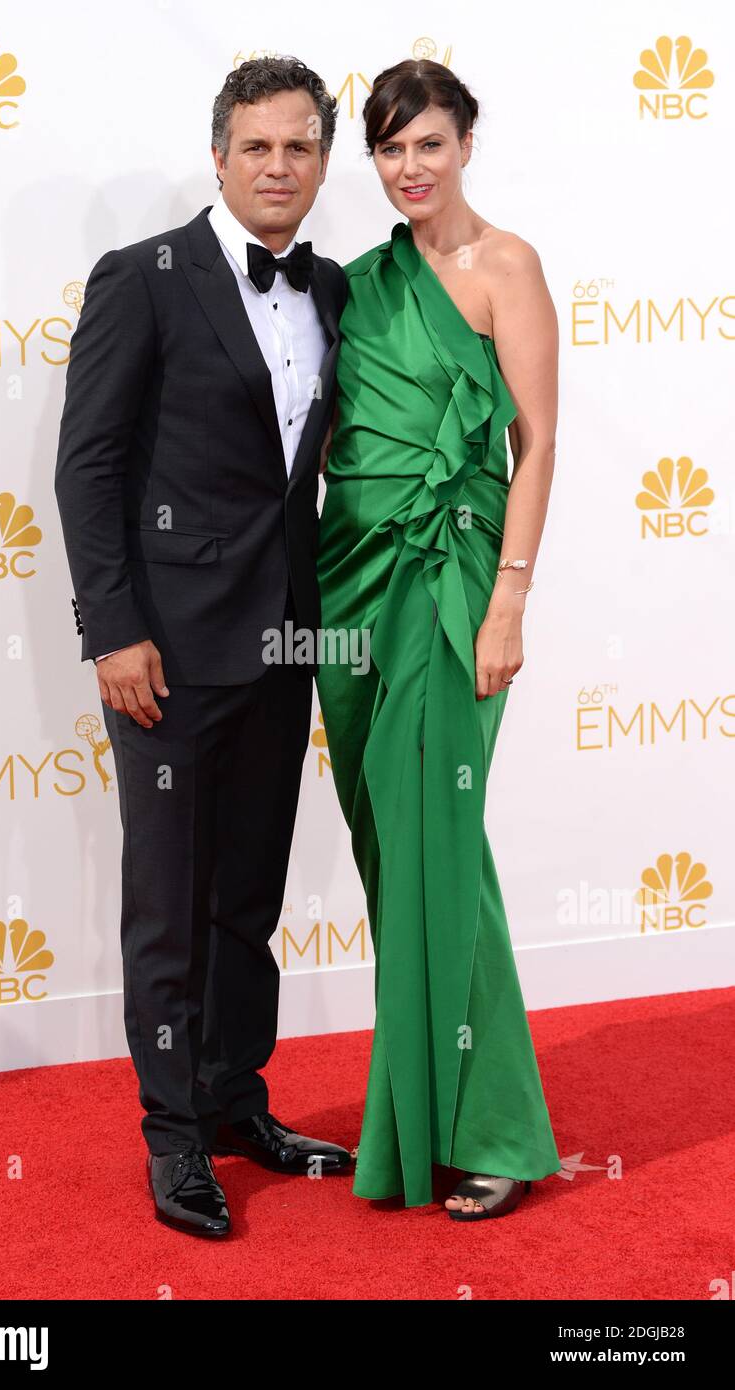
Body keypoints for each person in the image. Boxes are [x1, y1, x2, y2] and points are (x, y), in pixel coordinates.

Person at [54, 56, 352, 1240]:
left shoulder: (332, 287)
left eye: (300, 147)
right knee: (170, 912)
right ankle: (173, 1140)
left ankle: (237, 1102)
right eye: (258, 146)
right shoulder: (145, 278)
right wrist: (113, 628)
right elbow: (90, 465)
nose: (279, 166)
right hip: (166, 654)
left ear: (320, 162)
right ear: (220, 155)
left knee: (248, 900)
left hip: (282, 641)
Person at [316, 59, 562, 1221]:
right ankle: (434, 1110)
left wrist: (508, 595)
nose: (407, 168)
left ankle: (498, 1129)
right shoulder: (357, 285)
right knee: (396, 849)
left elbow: (536, 443)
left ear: (466, 142)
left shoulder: (506, 265)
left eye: (427, 144)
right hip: (349, 588)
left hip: (452, 583)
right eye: (388, 148)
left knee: (440, 841)